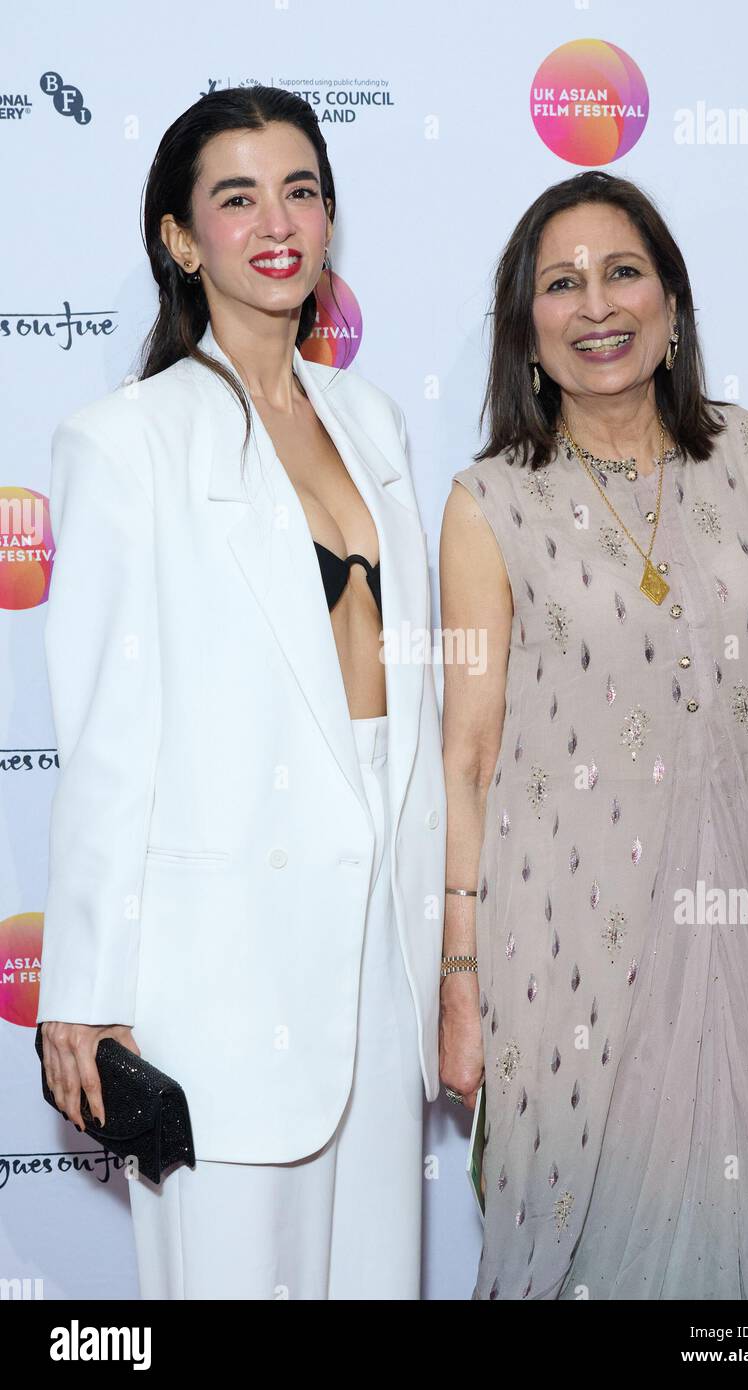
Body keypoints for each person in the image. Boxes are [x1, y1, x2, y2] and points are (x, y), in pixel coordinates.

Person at [35, 85, 446, 1300]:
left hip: (378, 962)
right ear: (178, 237)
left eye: (301, 190)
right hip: (215, 975)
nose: (277, 221)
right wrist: (87, 998)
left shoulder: (371, 421)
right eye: (236, 196)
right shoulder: (126, 443)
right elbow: (108, 742)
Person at [438, 169, 748, 1300]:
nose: (596, 305)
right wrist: (462, 973)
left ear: (670, 306)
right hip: (569, 944)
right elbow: (466, 761)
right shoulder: (488, 503)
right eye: (560, 283)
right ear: (523, 332)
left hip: (744, 921)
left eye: (622, 272)